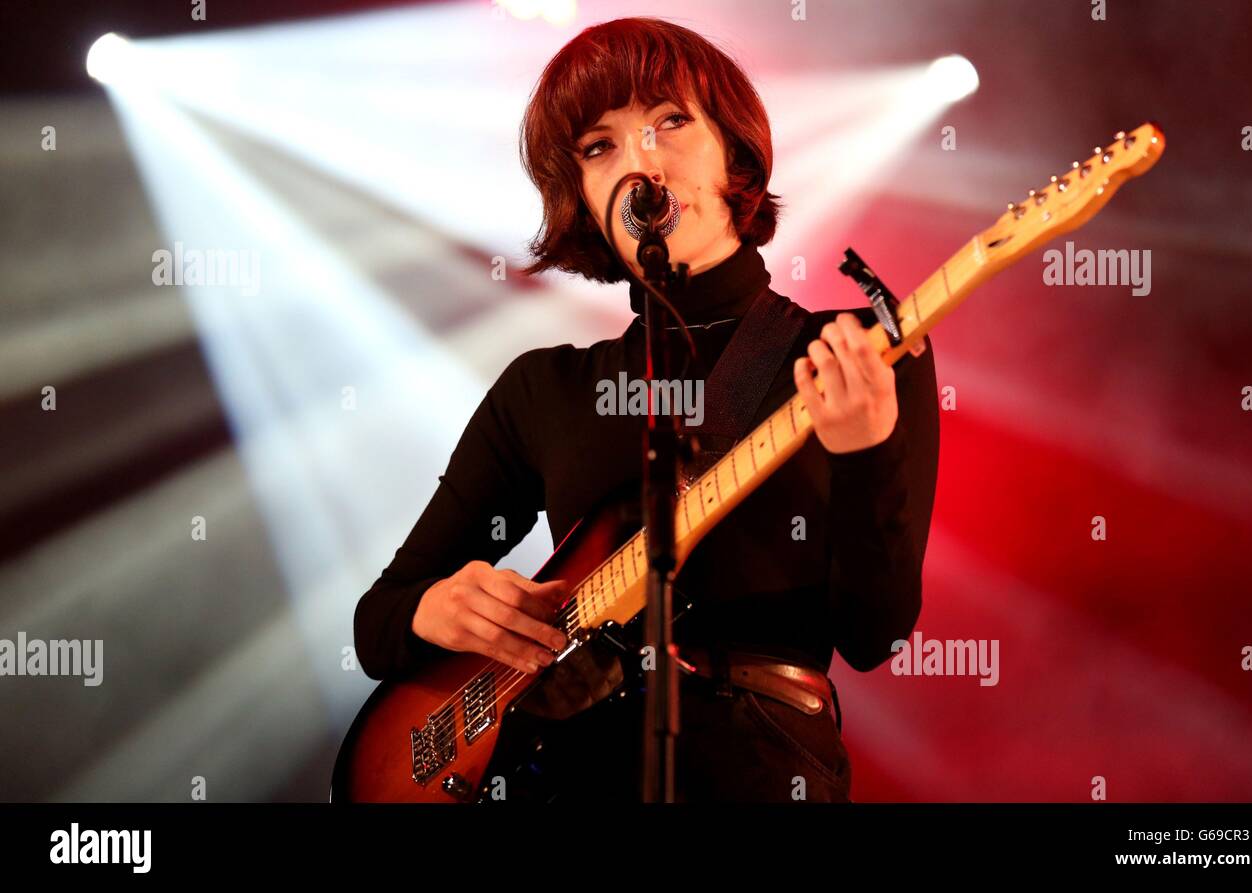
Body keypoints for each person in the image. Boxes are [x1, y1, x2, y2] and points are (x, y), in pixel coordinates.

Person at [353, 17, 939, 802]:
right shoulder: (543, 390)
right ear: (584, 201)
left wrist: (867, 452)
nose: (641, 163)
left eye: (669, 122)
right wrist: (437, 608)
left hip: (758, 771)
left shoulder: (851, 351)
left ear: (735, 149)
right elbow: (377, 622)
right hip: (558, 776)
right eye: (600, 148)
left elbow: (876, 636)